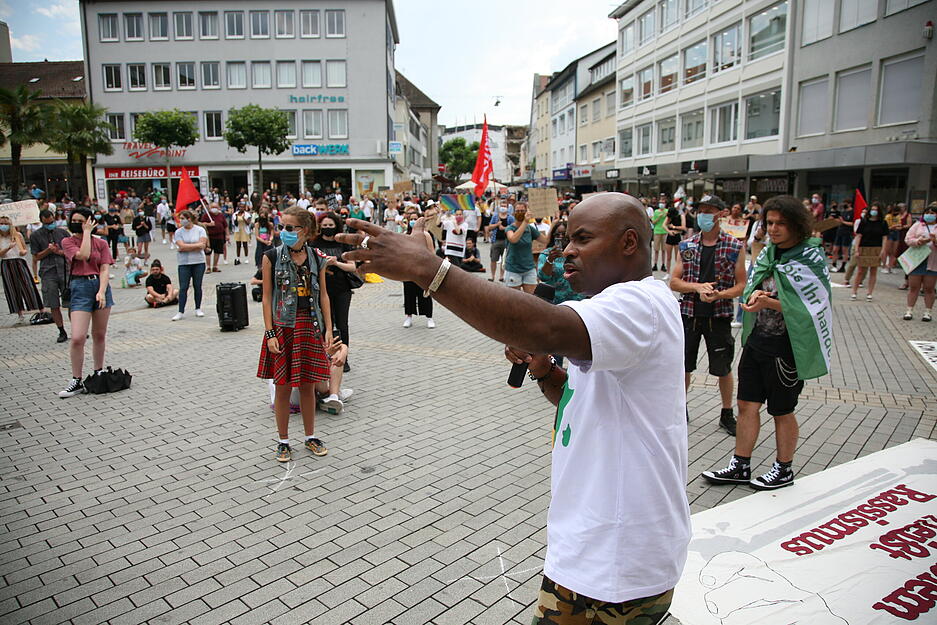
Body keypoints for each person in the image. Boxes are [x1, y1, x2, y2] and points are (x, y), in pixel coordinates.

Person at [336, 193, 689, 624]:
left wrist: (428, 268)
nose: (567, 251)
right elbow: (577, 401)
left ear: (629, 243)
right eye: (565, 239)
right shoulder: (609, 316)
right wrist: (545, 372)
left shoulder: (641, 305)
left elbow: (540, 324)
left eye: (582, 238)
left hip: (615, 564)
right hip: (594, 552)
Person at [702, 195, 831, 491]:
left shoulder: (809, 257)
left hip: (787, 347)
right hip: (757, 340)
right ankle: (740, 464)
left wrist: (769, 303)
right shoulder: (769, 253)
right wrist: (752, 298)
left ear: (797, 225)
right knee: (746, 404)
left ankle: (784, 469)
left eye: (780, 223)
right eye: (769, 222)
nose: (773, 229)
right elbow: (751, 287)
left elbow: (813, 306)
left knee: (782, 410)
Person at [257, 206, 333, 462]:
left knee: (308, 386)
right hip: (282, 327)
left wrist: (328, 329)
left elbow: (323, 295)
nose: (284, 232)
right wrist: (270, 334)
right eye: (282, 227)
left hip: (310, 326)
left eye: (290, 228)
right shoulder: (271, 257)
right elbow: (266, 298)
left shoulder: (316, 257)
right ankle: (283, 440)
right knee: (283, 387)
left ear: (306, 231)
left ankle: (310, 436)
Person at [669, 195, 747, 435]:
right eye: (700, 210)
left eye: (709, 210)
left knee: (723, 367)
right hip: (690, 313)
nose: (703, 214)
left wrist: (719, 294)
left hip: (719, 315)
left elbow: (741, 284)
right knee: (684, 366)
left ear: (720, 214)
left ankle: (726, 413)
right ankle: (680, 408)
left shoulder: (734, 247)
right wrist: (697, 287)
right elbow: (674, 281)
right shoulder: (688, 245)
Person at [58, 208, 115, 398]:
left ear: (89, 221)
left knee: (99, 334)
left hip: (99, 285)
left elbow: (105, 268)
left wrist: (101, 291)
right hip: (79, 287)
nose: (76, 223)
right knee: (77, 337)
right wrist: (87, 233)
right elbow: (82, 255)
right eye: (73, 220)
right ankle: (76, 379)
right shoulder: (67, 241)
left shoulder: (101, 243)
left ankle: (98, 371)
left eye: (81, 220)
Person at [311, 212, 357, 370]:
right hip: (321, 289)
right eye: (324, 226)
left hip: (342, 288)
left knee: (342, 324)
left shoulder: (342, 243)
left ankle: (344, 357)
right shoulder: (313, 243)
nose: (327, 228)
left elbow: (352, 266)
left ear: (336, 226)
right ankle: (327, 355)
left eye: (330, 226)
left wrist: (336, 263)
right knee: (325, 324)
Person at [29, 209, 70, 342]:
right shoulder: (35, 235)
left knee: (71, 302)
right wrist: (48, 250)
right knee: (53, 303)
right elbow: (36, 256)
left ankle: (76, 328)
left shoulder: (63, 233)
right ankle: (61, 330)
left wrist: (58, 251)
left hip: (65, 271)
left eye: (51, 222)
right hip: (48, 272)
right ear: (41, 221)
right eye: (47, 223)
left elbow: (71, 251)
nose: (50, 225)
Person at [0, 216, 43, 323]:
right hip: (6, 263)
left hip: (19, 262)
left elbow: (24, 249)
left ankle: (40, 309)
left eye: (5, 224)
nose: (3, 226)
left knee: (28, 285)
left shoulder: (17, 235)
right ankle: (20, 313)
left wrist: (22, 252)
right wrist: (8, 247)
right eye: (1, 224)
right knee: (12, 288)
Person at [537, 219, 585, 307]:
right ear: (553, 236)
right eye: (557, 234)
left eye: (563, 234)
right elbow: (543, 277)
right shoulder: (546, 254)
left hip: (577, 301)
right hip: (554, 303)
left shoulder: (578, 252)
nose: (560, 237)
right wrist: (550, 260)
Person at [403, 207, 437, 328]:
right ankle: (408, 316)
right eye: (411, 219)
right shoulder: (404, 235)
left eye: (415, 219)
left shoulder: (426, 235)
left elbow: (432, 252)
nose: (413, 221)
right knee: (409, 294)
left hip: (423, 269)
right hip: (408, 269)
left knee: (425, 293)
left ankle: (429, 317)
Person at [902, 203, 937, 322]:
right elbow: (908, 239)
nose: (929, 215)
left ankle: (928, 312)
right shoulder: (918, 225)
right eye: (927, 213)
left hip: (933, 260)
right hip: (917, 260)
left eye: (932, 213)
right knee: (914, 286)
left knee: (929, 287)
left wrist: (935, 241)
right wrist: (918, 241)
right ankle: (909, 310)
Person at [172, 210, 208, 321]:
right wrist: (195, 246)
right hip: (184, 263)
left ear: (189, 219)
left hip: (198, 262)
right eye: (180, 218)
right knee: (183, 287)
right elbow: (180, 246)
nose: (181, 221)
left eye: (183, 218)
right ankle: (180, 311)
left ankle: (198, 308)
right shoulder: (178, 232)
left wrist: (187, 247)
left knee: (198, 285)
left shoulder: (200, 230)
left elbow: (203, 245)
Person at [504, 202, 547, 294]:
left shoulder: (530, 229)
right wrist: (525, 222)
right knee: (514, 299)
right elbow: (513, 239)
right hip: (513, 268)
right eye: (517, 211)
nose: (520, 213)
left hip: (529, 268)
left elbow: (545, 240)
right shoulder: (509, 228)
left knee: (531, 298)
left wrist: (555, 223)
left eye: (522, 211)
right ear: (513, 213)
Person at [851, 201, 888, 301]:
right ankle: (854, 291)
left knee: (873, 271)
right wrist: (857, 249)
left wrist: (883, 250)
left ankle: (869, 293)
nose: (874, 211)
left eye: (876, 210)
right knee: (860, 271)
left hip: (876, 247)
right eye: (872, 209)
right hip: (864, 247)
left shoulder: (883, 223)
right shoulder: (864, 221)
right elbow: (859, 236)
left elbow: (885, 237)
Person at [484, 205, 513, 282]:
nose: (503, 207)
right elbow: (489, 227)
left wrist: (504, 228)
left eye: (504, 206)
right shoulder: (495, 216)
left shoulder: (510, 217)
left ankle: (501, 276)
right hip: (496, 240)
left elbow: (513, 228)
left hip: (506, 241)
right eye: (502, 206)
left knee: (503, 259)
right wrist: (497, 224)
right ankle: (492, 276)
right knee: (493, 259)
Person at [201, 202, 228, 273]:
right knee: (208, 251)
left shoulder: (221, 215)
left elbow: (225, 226)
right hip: (210, 236)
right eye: (212, 207)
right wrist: (209, 224)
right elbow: (201, 224)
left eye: (215, 207)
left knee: (218, 252)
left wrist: (227, 235)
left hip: (219, 236)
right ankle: (208, 267)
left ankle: (215, 266)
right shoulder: (206, 215)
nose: (214, 209)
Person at [663, 201, 687, 273]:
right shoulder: (670, 216)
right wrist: (669, 231)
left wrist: (674, 227)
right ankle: (668, 272)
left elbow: (683, 227)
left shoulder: (681, 216)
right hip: (670, 236)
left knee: (677, 257)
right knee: (669, 256)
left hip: (677, 235)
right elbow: (664, 225)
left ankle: (677, 272)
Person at [831, 201, 854, 272]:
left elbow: (853, 223)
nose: (843, 205)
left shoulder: (852, 212)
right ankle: (833, 265)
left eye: (845, 203)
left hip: (847, 233)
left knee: (845, 250)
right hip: (839, 232)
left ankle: (843, 266)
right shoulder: (842, 212)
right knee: (835, 250)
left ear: (849, 204)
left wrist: (843, 222)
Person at [883, 204, 903, 273]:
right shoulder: (888, 217)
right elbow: (886, 227)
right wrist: (894, 226)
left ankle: (890, 266)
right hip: (889, 233)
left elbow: (900, 226)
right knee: (887, 250)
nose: (896, 214)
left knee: (894, 251)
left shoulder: (898, 217)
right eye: (895, 212)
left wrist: (896, 226)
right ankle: (885, 266)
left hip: (896, 233)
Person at [651, 199, 669, 271]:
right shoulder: (656, 211)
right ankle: (655, 264)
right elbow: (653, 222)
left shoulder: (667, 211)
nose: (662, 204)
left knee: (664, 249)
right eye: (661, 202)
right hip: (657, 231)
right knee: (656, 249)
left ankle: (663, 264)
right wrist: (659, 217)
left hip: (664, 231)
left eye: (663, 202)